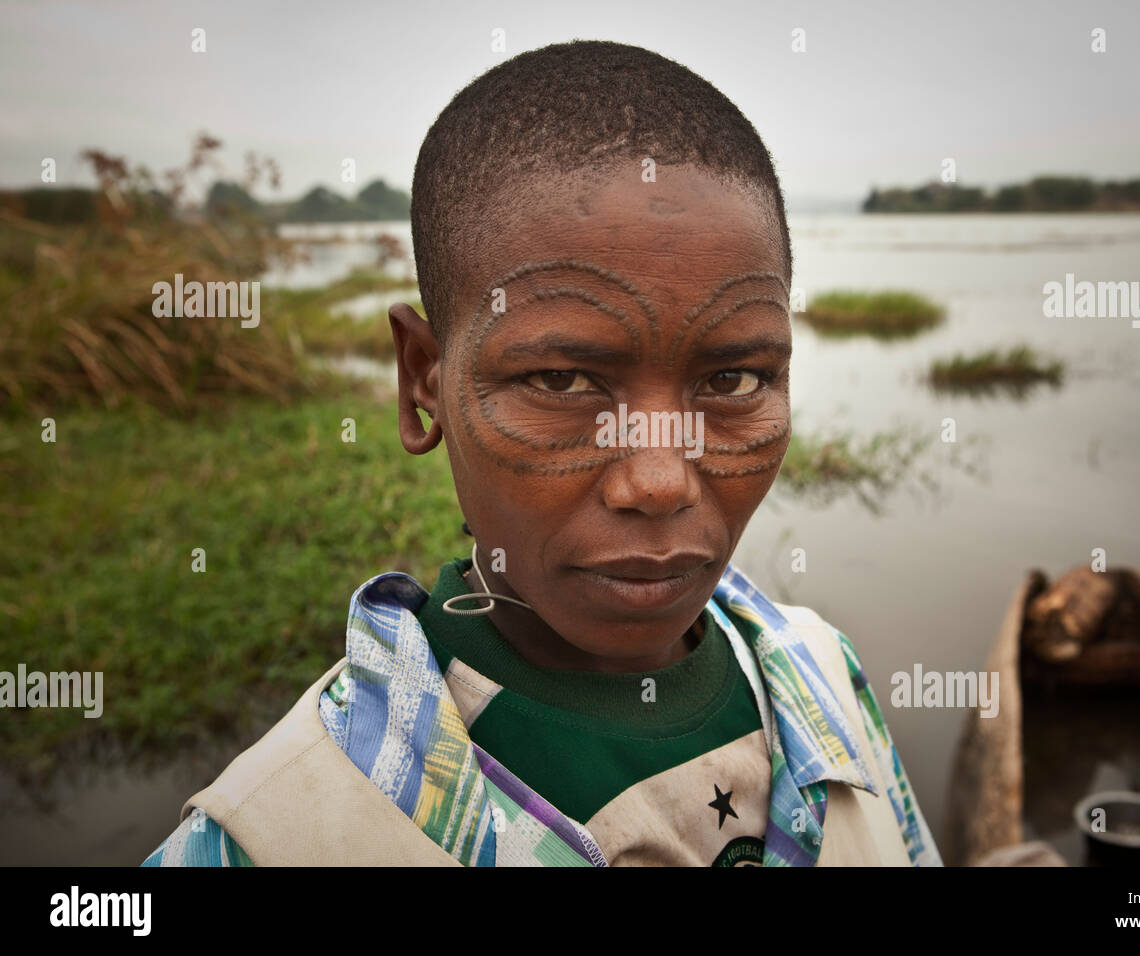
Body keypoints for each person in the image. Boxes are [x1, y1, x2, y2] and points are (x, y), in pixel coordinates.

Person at [143, 39, 940, 868]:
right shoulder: (276, 832)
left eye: (734, 378)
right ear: (424, 377)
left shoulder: (826, 681)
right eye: (561, 380)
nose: (659, 481)